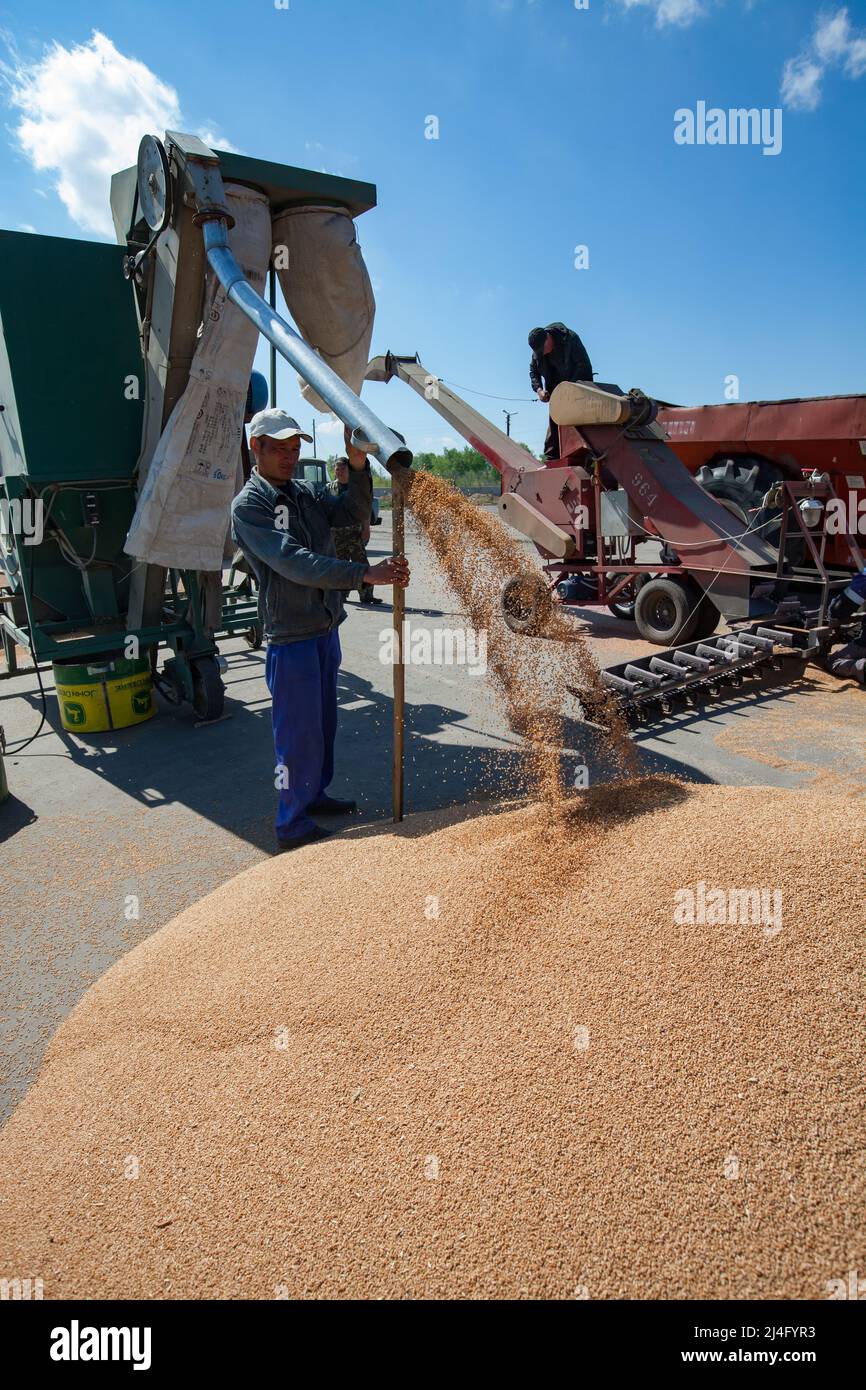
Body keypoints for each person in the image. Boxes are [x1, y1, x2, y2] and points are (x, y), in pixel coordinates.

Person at [231, 408, 410, 851]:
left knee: (323, 725)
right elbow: (294, 563)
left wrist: (357, 463)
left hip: (324, 628)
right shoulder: (250, 507)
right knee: (296, 734)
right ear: (257, 448)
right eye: (281, 450)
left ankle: (314, 794)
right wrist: (363, 575)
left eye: (295, 450)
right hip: (291, 634)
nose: (290, 458)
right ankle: (290, 823)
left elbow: (353, 511)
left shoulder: (305, 493)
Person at [528, 322, 594, 462]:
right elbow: (533, 372)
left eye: (543, 349)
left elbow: (584, 365)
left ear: (548, 338)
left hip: (578, 388)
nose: (542, 353)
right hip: (556, 393)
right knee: (554, 428)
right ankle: (552, 460)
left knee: (579, 429)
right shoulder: (538, 351)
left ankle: (585, 457)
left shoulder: (570, 339)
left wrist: (569, 389)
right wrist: (539, 390)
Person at [330, 425, 379, 604]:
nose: (339, 471)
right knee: (340, 568)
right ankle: (341, 596)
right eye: (337, 469)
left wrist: (366, 528)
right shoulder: (330, 489)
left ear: (348, 470)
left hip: (355, 534)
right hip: (337, 537)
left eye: (342, 468)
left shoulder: (356, 488)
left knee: (362, 566)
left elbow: (365, 509)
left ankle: (367, 596)